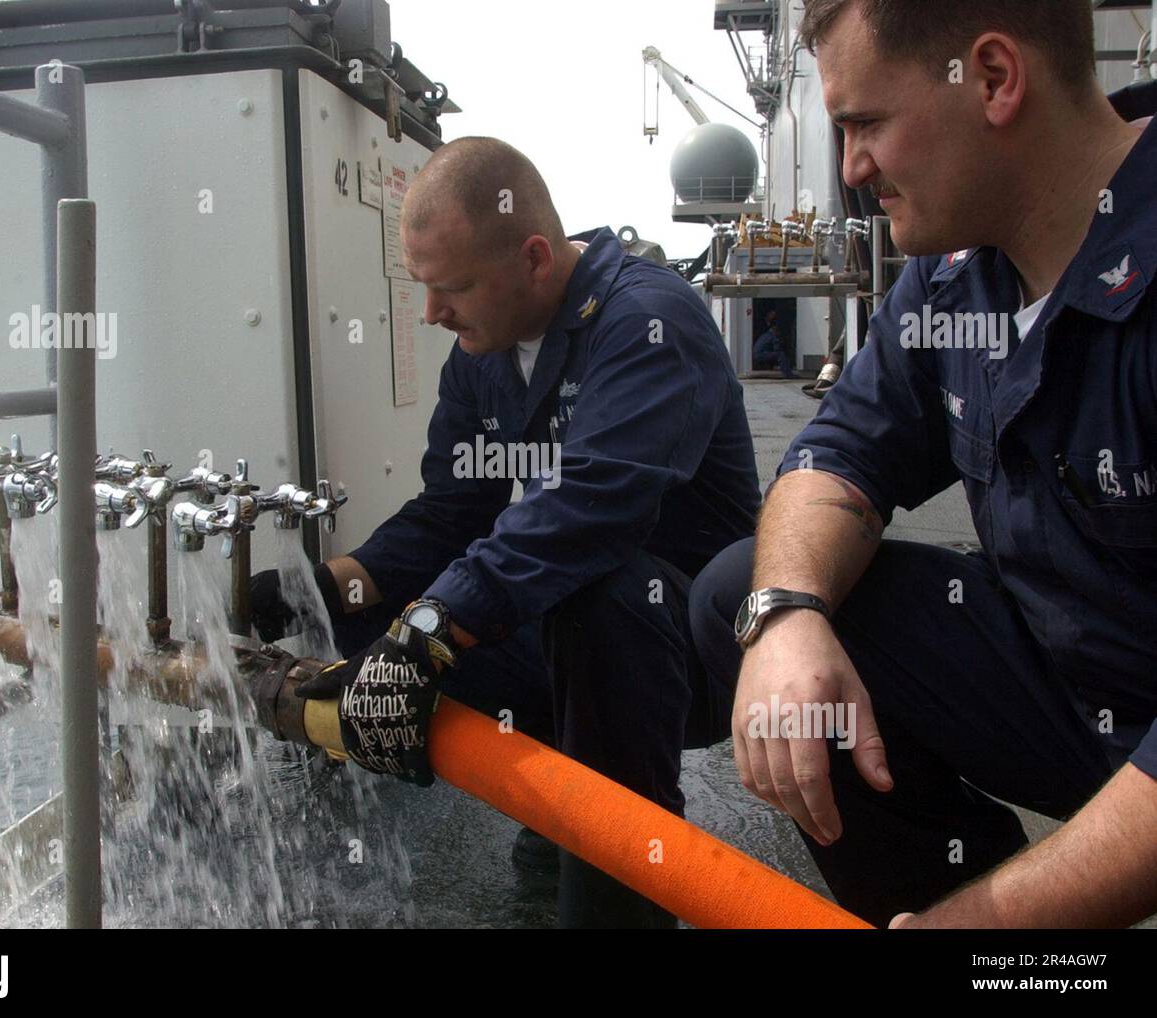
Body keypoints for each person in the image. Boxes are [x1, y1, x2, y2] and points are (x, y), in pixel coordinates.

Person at [689, 0, 1157, 929]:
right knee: (742, 595)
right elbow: (840, 452)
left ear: (992, 79)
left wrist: (987, 925)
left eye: (865, 124)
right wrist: (787, 614)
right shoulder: (958, 275)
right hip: (1075, 685)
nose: (853, 170)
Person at [252, 137, 761, 927]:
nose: (431, 314)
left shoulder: (648, 322)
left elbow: (588, 512)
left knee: (595, 594)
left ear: (532, 257)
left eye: (451, 288)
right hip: (576, 631)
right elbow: (452, 511)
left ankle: (621, 883)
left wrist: (426, 633)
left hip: (694, 644)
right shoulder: (482, 353)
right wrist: (324, 587)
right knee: (358, 620)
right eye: (424, 288)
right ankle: (561, 793)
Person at [752, 310, 797, 378]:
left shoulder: (765, 335)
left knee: (775, 354)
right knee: (780, 354)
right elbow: (777, 350)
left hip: (757, 354)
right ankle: (788, 374)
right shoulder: (772, 336)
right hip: (760, 355)